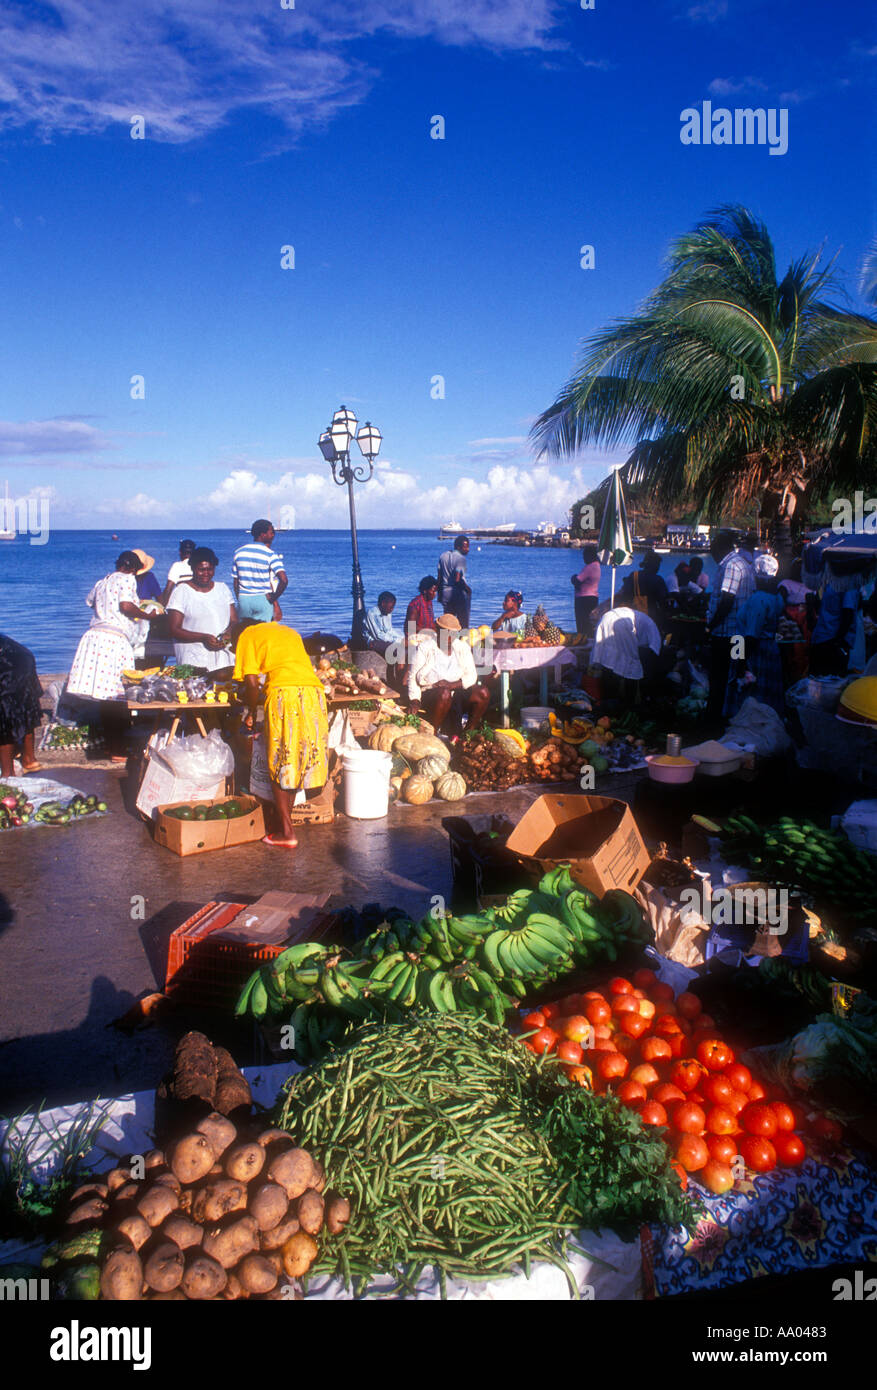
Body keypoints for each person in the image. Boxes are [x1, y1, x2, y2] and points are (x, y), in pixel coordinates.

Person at [234, 621, 329, 849]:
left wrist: (250, 710)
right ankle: (283, 823)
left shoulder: (247, 635)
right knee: (296, 760)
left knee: (279, 761)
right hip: (314, 694)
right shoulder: (289, 631)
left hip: (284, 695)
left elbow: (251, 682)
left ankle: (287, 832)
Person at [67, 551, 163, 759]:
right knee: (119, 696)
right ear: (134, 569)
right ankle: (119, 749)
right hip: (113, 640)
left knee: (106, 699)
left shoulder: (103, 581)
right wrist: (146, 615)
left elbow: (90, 602)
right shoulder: (127, 579)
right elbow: (126, 606)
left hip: (95, 637)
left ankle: (112, 746)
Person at [406, 614, 490, 736]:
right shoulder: (425, 648)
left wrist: (452, 685)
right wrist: (414, 700)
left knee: (483, 692)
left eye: (453, 633)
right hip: (432, 693)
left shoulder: (462, 648)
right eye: (446, 632)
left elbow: (472, 676)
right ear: (438, 631)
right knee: (444, 692)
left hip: (456, 692)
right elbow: (413, 677)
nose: (449, 637)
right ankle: (432, 734)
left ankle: (468, 733)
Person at [705, 531, 756, 722]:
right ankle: (728, 715)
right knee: (734, 674)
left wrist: (710, 626)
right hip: (738, 633)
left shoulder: (732, 565)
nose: (711, 551)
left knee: (720, 675)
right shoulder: (740, 562)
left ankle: (715, 717)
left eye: (712, 547)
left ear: (719, 547)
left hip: (728, 634)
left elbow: (727, 600)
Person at [727, 553, 785, 716]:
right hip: (769, 647)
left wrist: (740, 662)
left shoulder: (758, 600)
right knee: (767, 697)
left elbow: (751, 636)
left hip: (753, 650)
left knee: (751, 694)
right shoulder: (776, 598)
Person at [166, 547, 237, 675]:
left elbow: (234, 620)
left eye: (210, 569)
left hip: (223, 659)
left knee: (224, 692)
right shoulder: (182, 591)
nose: (206, 573)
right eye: (201, 570)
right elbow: (173, 629)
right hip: (194, 659)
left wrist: (228, 633)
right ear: (192, 569)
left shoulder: (223, 589)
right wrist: (203, 637)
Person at [809, 555, 873, 677]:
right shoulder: (832, 582)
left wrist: (838, 642)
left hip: (832, 641)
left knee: (830, 681)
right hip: (822, 637)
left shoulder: (849, 584)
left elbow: (848, 613)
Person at [592, 606, 664, 698]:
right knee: (631, 665)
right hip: (620, 622)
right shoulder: (652, 628)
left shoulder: (646, 621)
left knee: (608, 657)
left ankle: (609, 696)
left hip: (606, 617)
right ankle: (626, 699)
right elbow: (654, 649)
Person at [0, 634, 43, 776]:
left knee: (4, 712)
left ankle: (7, 775)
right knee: (23, 703)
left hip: (9, 663)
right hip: (23, 657)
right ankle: (29, 759)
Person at [232, 520, 288, 623]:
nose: (273, 535)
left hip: (244, 599)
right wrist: (273, 598)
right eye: (271, 532)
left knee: (245, 632)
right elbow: (284, 580)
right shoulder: (270, 554)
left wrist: (240, 599)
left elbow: (236, 583)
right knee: (263, 633)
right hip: (263, 599)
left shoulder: (238, 552)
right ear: (263, 535)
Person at [619, 550, 669, 626]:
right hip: (651, 617)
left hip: (633, 615)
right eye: (658, 565)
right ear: (654, 565)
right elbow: (663, 601)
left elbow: (625, 594)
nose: (658, 568)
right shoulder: (658, 580)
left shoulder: (633, 575)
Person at [437, 536, 472, 627]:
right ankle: (463, 639)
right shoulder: (461, 559)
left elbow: (439, 577)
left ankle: (447, 640)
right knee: (462, 622)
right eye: (466, 547)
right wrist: (467, 589)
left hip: (445, 593)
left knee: (448, 622)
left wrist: (439, 594)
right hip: (456, 593)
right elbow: (457, 579)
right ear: (458, 547)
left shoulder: (443, 556)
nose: (468, 549)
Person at [363, 592, 405, 657]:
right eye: (391, 607)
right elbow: (378, 636)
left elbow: (389, 630)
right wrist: (398, 640)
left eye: (393, 607)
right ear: (383, 604)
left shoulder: (387, 612)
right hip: (374, 641)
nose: (392, 610)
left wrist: (402, 638)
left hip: (384, 639)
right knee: (399, 650)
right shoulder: (372, 613)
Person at [571, 545, 601, 632]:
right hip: (593, 597)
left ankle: (583, 641)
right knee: (590, 623)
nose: (583, 558)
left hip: (583, 599)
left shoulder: (590, 567)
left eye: (584, 556)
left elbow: (577, 580)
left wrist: (573, 577)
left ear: (590, 556)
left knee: (582, 624)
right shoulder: (597, 566)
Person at [161, 539, 196, 607]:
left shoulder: (177, 566)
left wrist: (162, 608)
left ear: (180, 552)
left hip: (181, 603)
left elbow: (168, 589)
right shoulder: (198, 566)